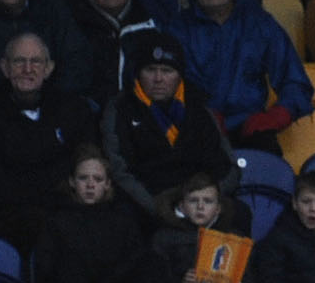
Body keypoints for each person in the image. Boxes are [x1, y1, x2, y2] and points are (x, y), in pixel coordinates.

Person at [0, 31, 93, 253]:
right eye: (19, 61)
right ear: (5, 68)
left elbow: (85, 163)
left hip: (69, 211)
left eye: (35, 61)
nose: (28, 69)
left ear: (49, 68)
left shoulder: (73, 110)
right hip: (12, 220)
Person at [168, 0, 310, 147]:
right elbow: (171, 83)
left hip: (253, 126)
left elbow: (294, 78)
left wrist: (279, 114)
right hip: (199, 127)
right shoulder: (178, 29)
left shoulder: (259, 23)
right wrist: (198, 114)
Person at [99, 29, 238, 226]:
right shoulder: (120, 109)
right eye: (150, 69)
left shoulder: (198, 108)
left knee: (240, 213)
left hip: (200, 199)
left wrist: (205, 201)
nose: (158, 78)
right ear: (138, 72)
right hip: (147, 204)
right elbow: (119, 169)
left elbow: (228, 166)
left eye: (167, 71)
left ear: (179, 75)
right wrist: (158, 207)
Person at [33, 144, 146, 283]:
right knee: (68, 263)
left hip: (115, 282)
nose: (90, 184)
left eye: (98, 179)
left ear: (108, 184)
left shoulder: (123, 218)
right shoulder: (57, 219)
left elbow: (136, 257)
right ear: (71, 182)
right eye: (83, 178)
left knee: (155, 261)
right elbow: (46, 267)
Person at [143, 172, 251, 283]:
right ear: (182, 206)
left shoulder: (234, 238)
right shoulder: (165, 236)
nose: (200, 207)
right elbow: (153, 282)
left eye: (207, 201)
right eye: (193, 201)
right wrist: (181, 282)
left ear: (218, 208)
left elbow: (251, 277)